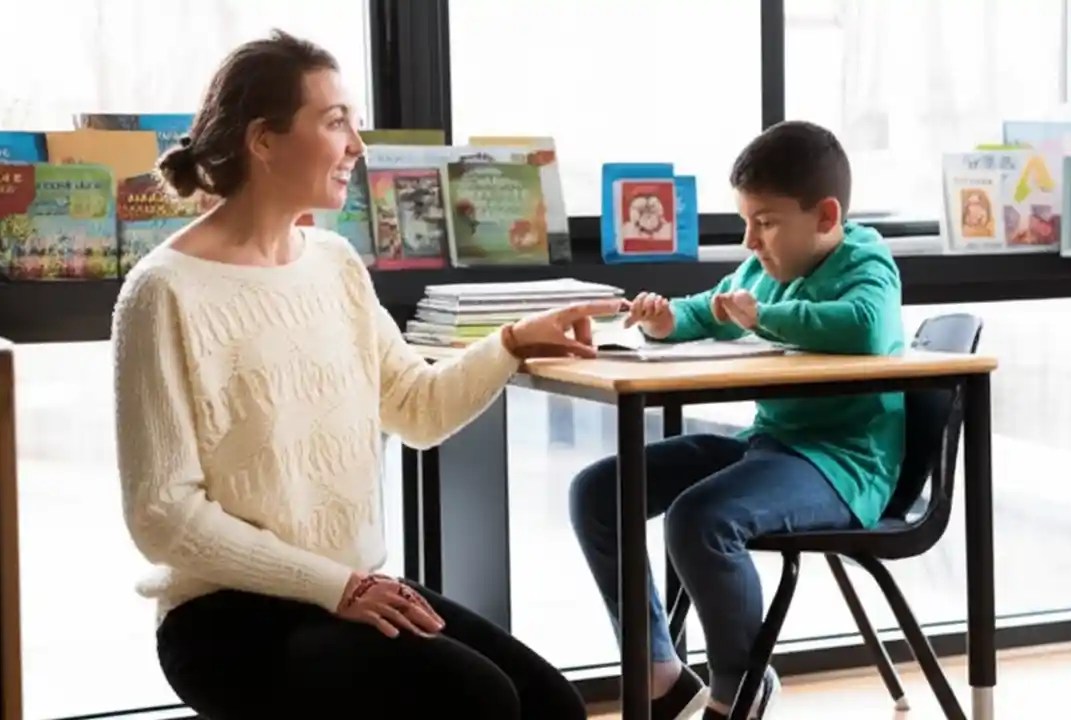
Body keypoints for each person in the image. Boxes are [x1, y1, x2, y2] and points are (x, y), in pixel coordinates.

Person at [112, 30, 606, 720]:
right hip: (227, 619)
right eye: (336, 120)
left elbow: (417, 406)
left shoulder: (334, 263)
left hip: (352, 592)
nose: (357, 146)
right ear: (263, 139)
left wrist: (514, 342)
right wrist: (336, 586)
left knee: (553, 705)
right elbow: (163, 517)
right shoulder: (163, 291)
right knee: (478, 701)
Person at [568, 120, 906, 720]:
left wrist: (764, 317)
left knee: (700, 517)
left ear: (826, 216)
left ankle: (739, 691)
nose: (750, 240)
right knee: (598, 491)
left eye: (767, 222)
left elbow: (866, 326)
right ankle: (659, 674)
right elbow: (709, 311)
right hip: (769, 446)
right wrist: (664, 320)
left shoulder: (867, 261)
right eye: (746, 221)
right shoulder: (760, 271)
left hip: (843, 465)